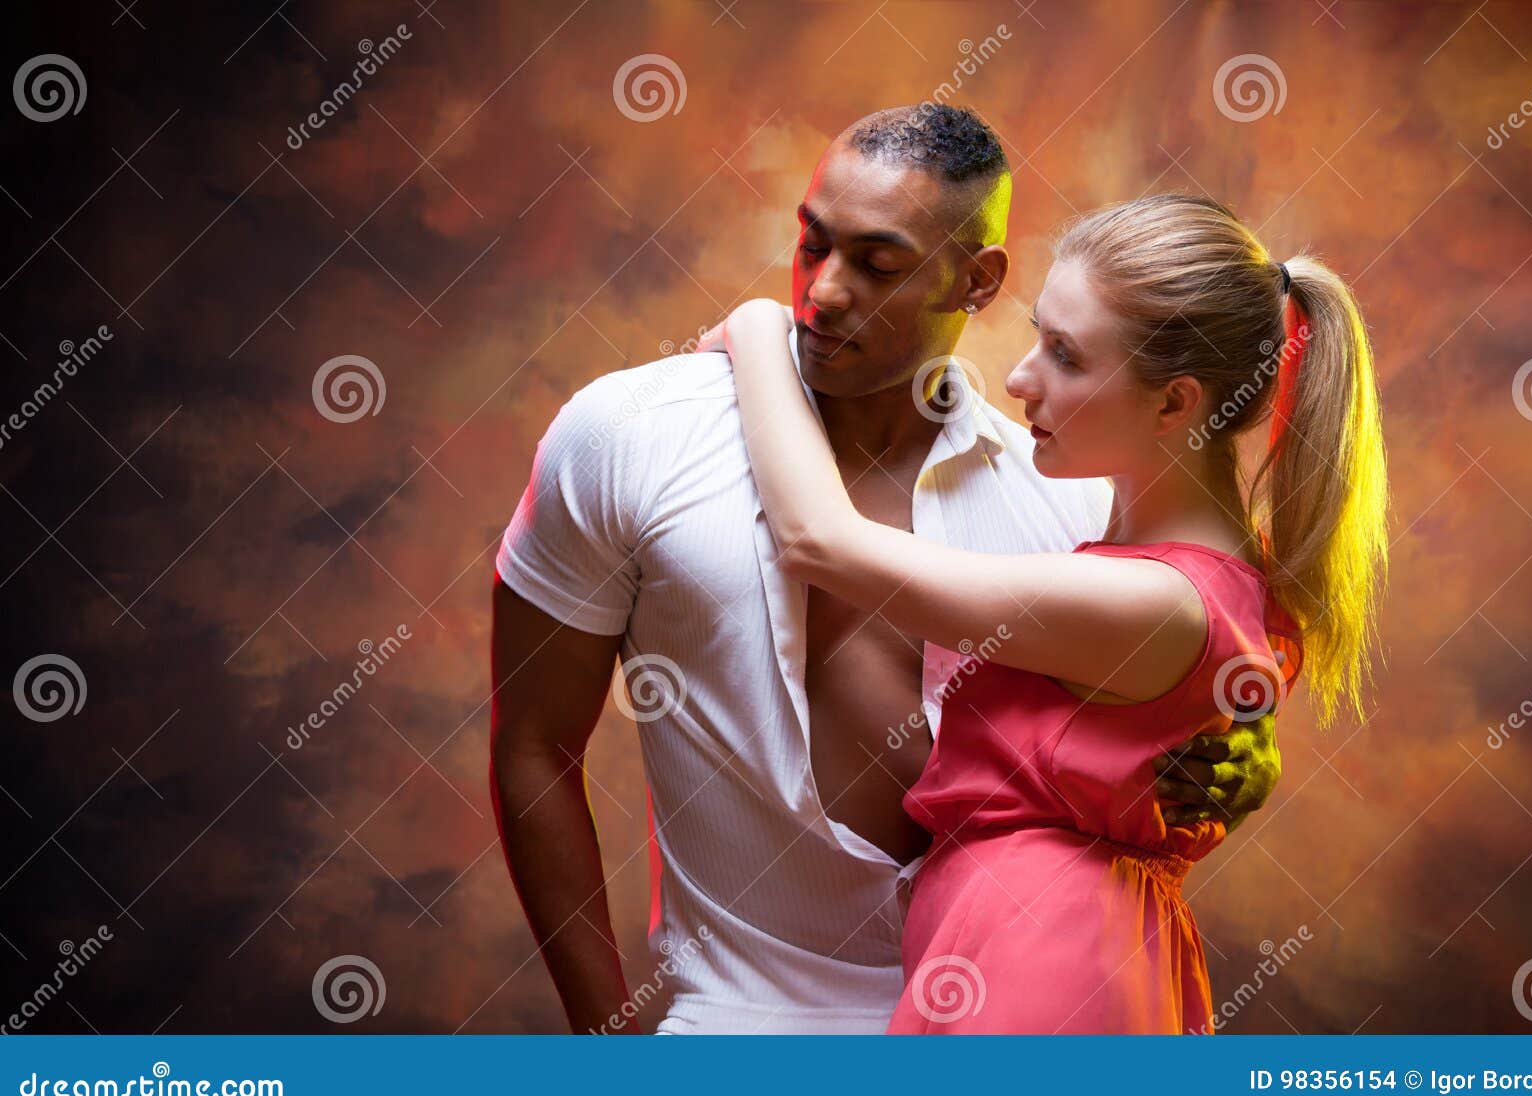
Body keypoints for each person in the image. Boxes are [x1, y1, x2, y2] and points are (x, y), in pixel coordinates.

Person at [490, 105, 1284, 1035]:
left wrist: (1228, 745)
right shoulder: (629, 434)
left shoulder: (1076, 494)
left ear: (976, 280)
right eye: (811, 244)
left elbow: (1169, 672)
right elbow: (533, 744)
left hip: (1011, 1012)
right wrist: (605, 1044)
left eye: (877, 262)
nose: (823, 293)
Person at [698, 190, 1389, 1033]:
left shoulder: (1153, 596)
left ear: (1176, 404)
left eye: (1064, 354)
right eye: (1038, 337)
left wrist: (758, 332)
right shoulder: (1168, 562)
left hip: (1042, 971)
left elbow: (819, 542)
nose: (1021, 377)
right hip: (1039, 957)